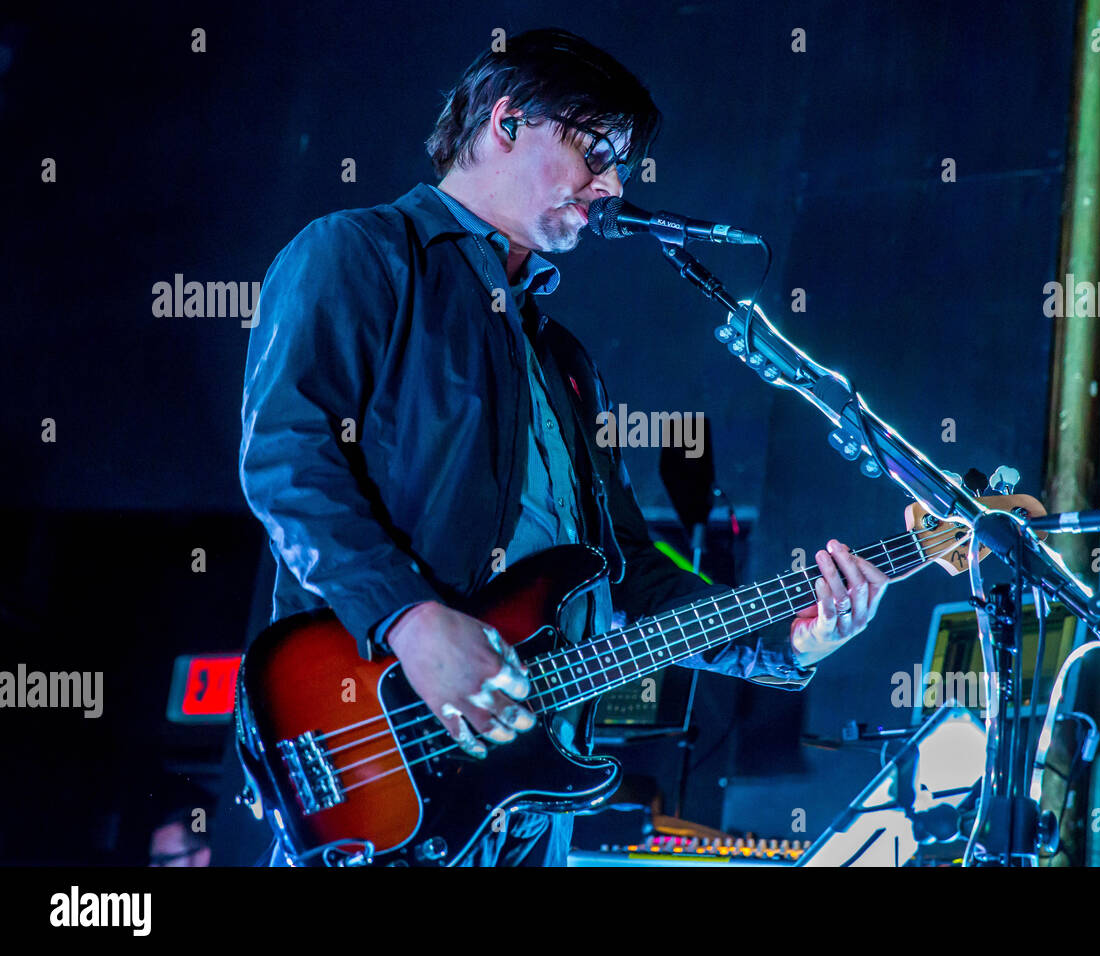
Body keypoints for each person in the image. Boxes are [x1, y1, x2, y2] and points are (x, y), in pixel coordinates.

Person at [239, 27, 889, 867]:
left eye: (619, 161)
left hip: (524, 813)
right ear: (508, 122)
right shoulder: (359, 252)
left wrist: (789, 641)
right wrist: (413, 621)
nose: (613, 185)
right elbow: (288, 462)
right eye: (597, 151)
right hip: (377, 752)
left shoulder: (563, 360)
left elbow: (631, 575)